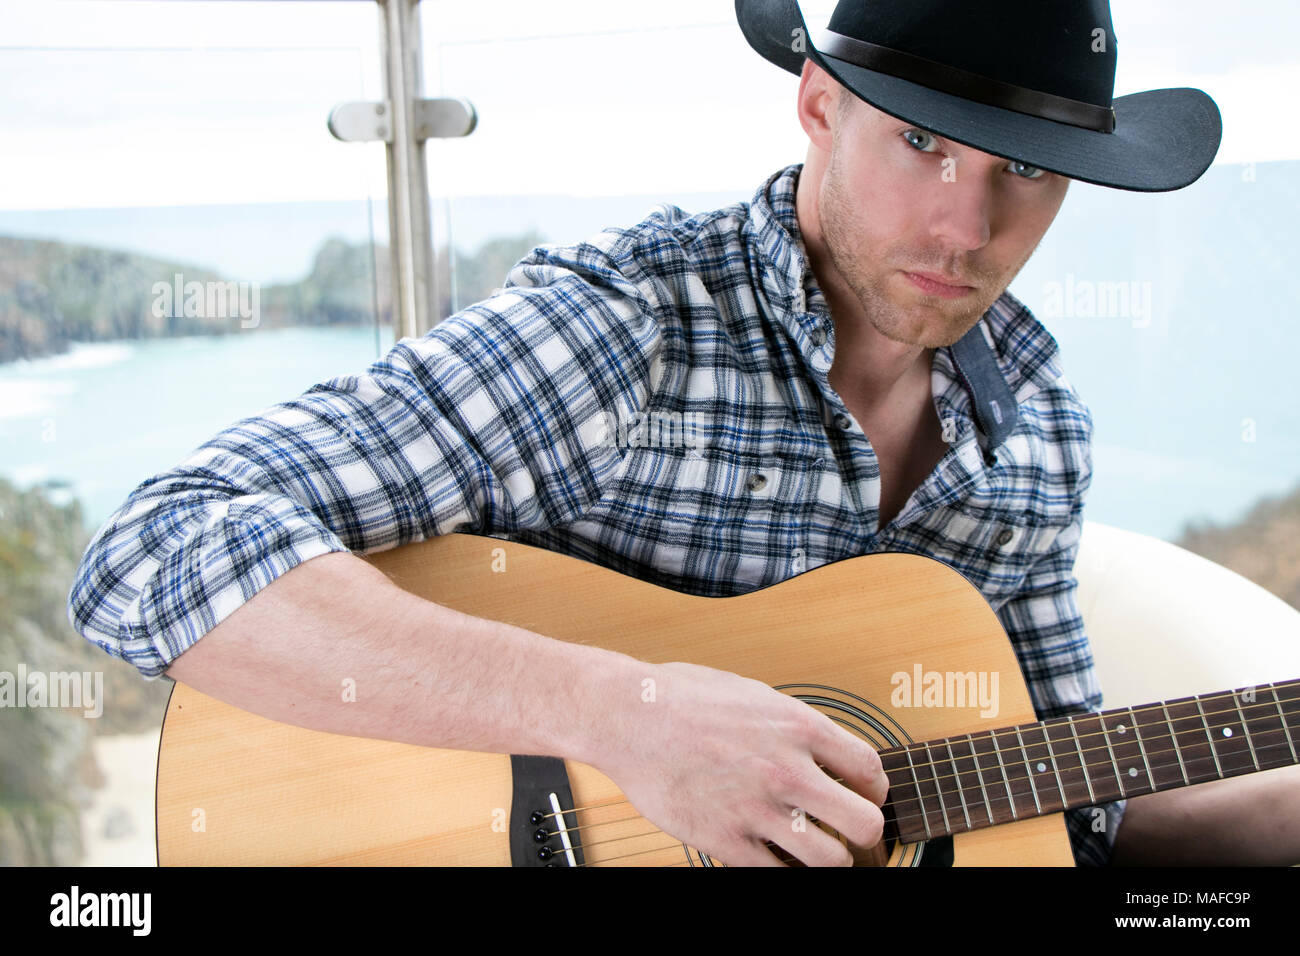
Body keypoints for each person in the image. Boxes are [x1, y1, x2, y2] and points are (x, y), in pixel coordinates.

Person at [68, 0, 1299, 866]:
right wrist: (627, 715)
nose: (963, 224)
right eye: (920, 141)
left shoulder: (1034, 434)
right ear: (819, 106)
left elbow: (1056, 808)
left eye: (1021, 170)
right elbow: (157, 549)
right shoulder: (631, 329)